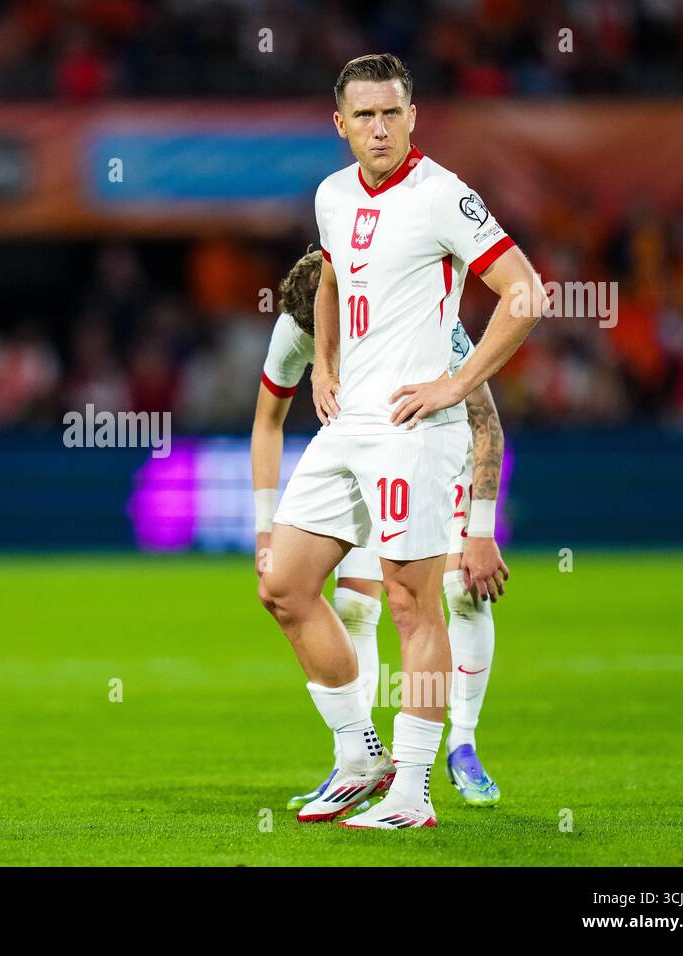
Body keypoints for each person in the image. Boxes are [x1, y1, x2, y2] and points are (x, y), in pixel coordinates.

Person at [257, 53, 545, 829]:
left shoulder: (443, 196)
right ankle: (358, 758)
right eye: (365, 115)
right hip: (349, 425)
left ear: (413, 117)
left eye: (393, 113)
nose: (380, 128)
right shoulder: (331, 194)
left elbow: (525, 292)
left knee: (416, 608)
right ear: (341, 124)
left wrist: (456, 383)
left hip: (414, 430)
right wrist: (324, 361)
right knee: (283, 585)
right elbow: (332, 276)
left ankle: (412, 791)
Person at [251, 250, 508, 817]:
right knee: (345, 606)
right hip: (365, 445)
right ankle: (360, 757)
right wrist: (265, 529)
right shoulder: (297, 325)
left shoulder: (421, 320)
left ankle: (459, 744)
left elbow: (487, 424)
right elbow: (267, 420)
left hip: (439, 444)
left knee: (455, 595)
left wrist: (480, 530)